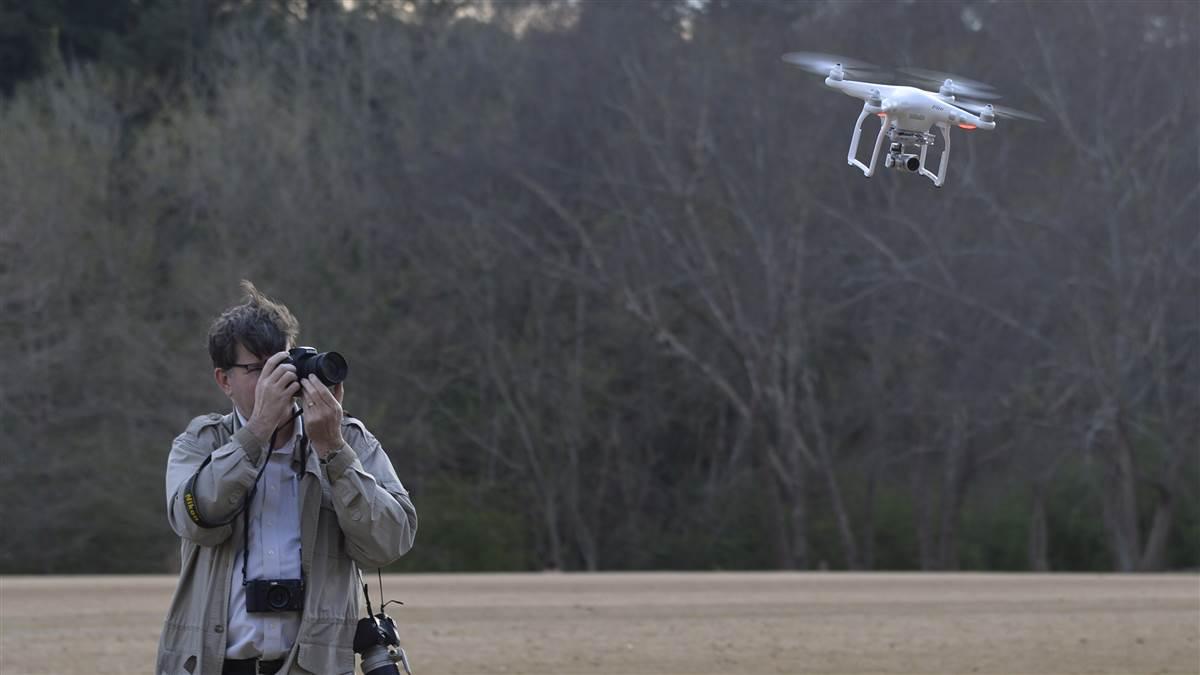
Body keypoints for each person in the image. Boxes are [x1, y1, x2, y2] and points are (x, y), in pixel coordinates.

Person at [157, 281, 417, 675]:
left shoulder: (348, 441)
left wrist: (333, 451)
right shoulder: (202, 443)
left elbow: (391, 541)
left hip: (316, 666)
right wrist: (256, 432)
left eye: (280, 365)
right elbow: (195, 518)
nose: (275, 381)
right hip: (217, 664)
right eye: (258, 370)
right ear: (224, 380)